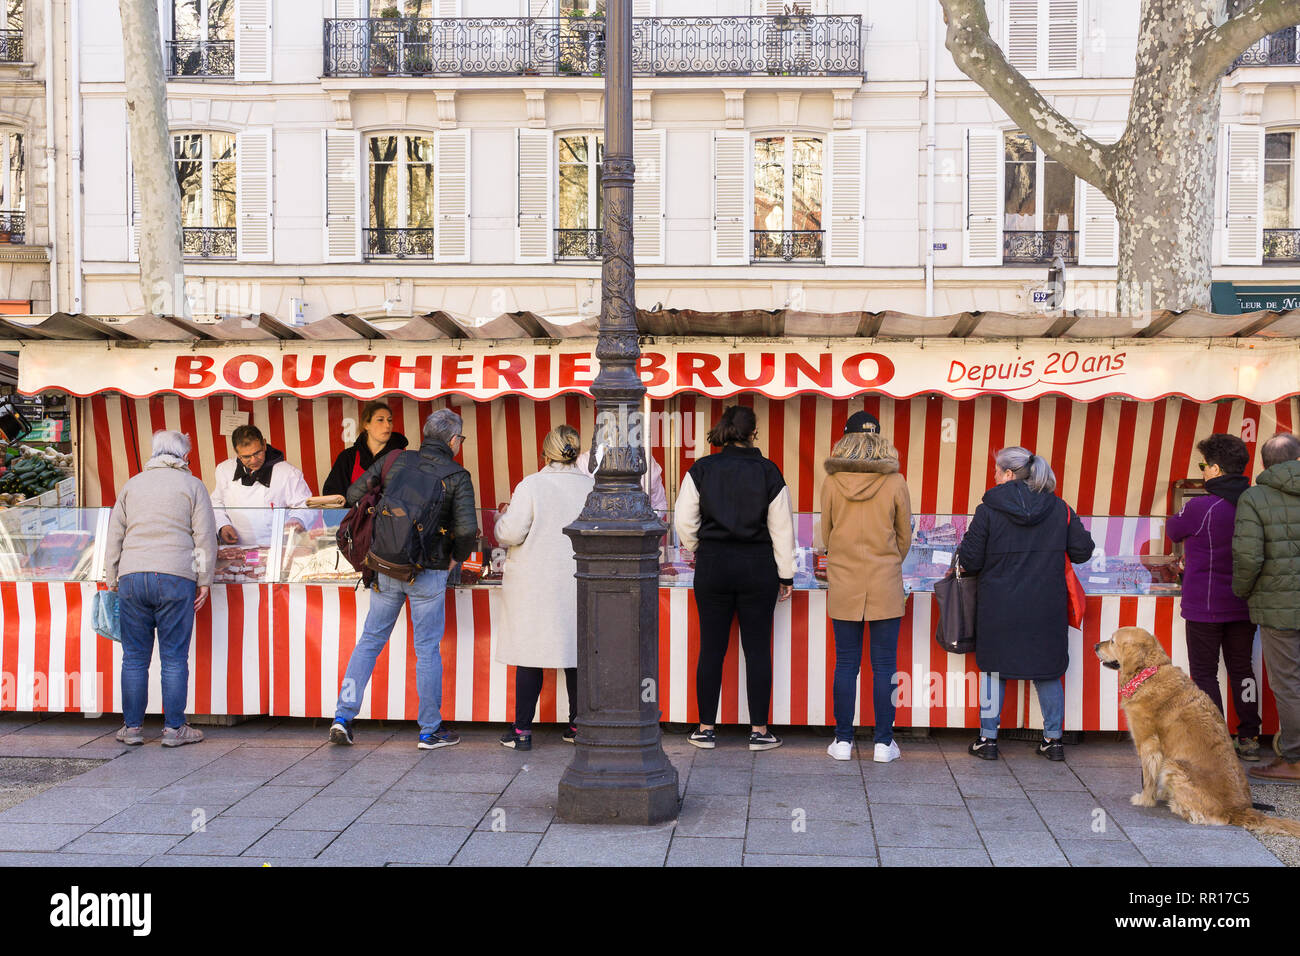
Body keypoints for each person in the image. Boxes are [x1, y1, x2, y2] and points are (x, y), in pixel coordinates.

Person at [328, 409, 478, 750]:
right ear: (454, 441)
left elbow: (353, 495)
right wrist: (455, 557)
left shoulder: (394, 459)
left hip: (383, 565)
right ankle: (429, 731)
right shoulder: (457, 475)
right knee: (426, 649)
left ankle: (342, 716)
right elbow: (467, 529)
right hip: (427, 572)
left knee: (369, 642)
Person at [957, 446, 1095, 761]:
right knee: (1048, 670)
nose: (993, 476)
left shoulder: (987, 509)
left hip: (998, 606)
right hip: (1047, 605)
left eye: (996, 471)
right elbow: (1083, 551)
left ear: (1008, 474)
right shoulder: (1060, 509)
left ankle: (988, 740)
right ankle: (1053, 741)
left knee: (994, 670)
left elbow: (970, 560)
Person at [674, 404, 795, 752]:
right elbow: (782, 530)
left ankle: (705, 729)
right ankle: (759, 731)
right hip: (758, 568)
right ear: (753, 433)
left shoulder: (702, 469)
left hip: (713, 565)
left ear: (724, 431)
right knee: (757, 650)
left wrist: (698, 546)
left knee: (711, 648)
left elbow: (683, 520)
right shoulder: (769, 472)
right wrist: (786, 575)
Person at [103, 430, 217, 747]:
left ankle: (133, 728)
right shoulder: (193, 486)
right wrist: (204, 579)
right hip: (175, 577)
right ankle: (174, 729)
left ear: (154, 453)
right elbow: (204, 537)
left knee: (135, 658)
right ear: (183, 457)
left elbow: (115, 536)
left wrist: (112, 576)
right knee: (174, 658)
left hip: (131, 576)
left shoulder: (132, 485)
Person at [494, 424, 594, 751]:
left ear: (545, 452)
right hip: (579, 579)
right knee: (577, 652)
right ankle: (578, 726)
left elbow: (509, 534)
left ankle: (522, 731)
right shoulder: (592, 486)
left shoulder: (532, 485)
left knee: (530, 655)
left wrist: (504, 516)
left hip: (535, 583)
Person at [819, 428, 912, 763]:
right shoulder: (896, 482)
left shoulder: (831, 482)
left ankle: (842, 741)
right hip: (885, 581)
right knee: (885, 665)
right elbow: (905, 536)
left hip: (844, 581)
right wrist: (887, 562)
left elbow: (825, 534)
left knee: (846, 663)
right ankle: (883, 744)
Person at [1167, 433, 1261, 760]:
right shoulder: (1255, 502)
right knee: (1242, 669)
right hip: (1246, 603)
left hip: (1205, 605)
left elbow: (1173, 529)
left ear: (1217, 469)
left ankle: (1215, 739)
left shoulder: (1201, 506)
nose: (1202, 471)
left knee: (1205, 673)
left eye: (1204, 465)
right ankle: (1249, 736)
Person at [1232, 431, 1300, 784]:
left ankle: (1295, 758)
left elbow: (1248, 555)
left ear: (1264, 463)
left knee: (1288, 682)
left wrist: (1242, 592)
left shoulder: (1254, 497)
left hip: (1278, 606)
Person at [210, 424, 314, 546]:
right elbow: (216, 502)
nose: (254, 460)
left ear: (264, 444)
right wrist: (223, 525)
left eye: (258, 453)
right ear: (237, 453)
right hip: (237, 549)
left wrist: (297, 520)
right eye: (247, 457)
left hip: (277, 548)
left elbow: (306, 505)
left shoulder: (287, 473)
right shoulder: (224, 470)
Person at [320, 401, 409, 499]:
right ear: (366, 425)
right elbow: (333, 494)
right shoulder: (348, 457)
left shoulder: (402, 458)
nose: (387, 425)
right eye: (380, 420)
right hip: (354, 514)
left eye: (390, 420)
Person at [575, 444, 668, 511]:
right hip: (597, 531)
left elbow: (660, 504)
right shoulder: (586, 461)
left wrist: (648, 526)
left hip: (636, 530)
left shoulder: (645, 460)